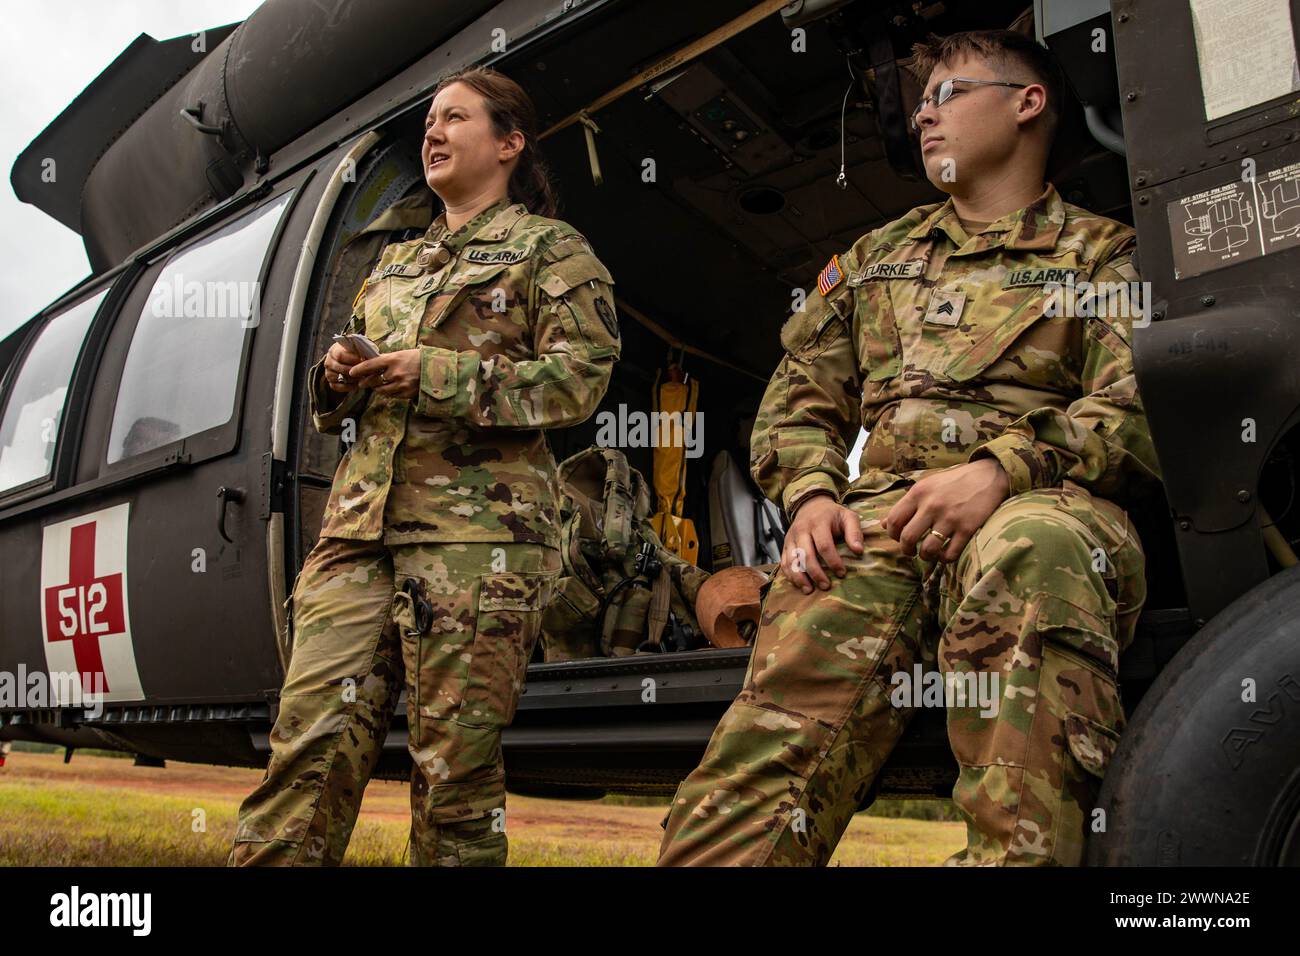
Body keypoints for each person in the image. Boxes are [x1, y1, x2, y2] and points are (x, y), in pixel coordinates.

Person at [657, 29, 1159, 866]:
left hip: (1035, 510)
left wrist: (1004, 469)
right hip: (879, 527)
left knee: (1035, 546)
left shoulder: (1102, 256)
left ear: (1028, 102)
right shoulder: (876, 260)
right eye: (920, 100)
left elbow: (1139, 408)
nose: (923, 114)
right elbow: (799, 400)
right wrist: (814, 495)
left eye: (948, 94)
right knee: (758, 765)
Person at [229, 65, 620, 866]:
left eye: (456, 119)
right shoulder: (395, 263)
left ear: (510, 143)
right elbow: (341, 401)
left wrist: (434, 373)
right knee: (306, 749)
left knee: (453, 777)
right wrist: (338, 377)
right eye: (429, 123)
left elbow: (580, 380)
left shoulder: (551, 251)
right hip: (357, 535)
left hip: (478, 548)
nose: (433, 133)